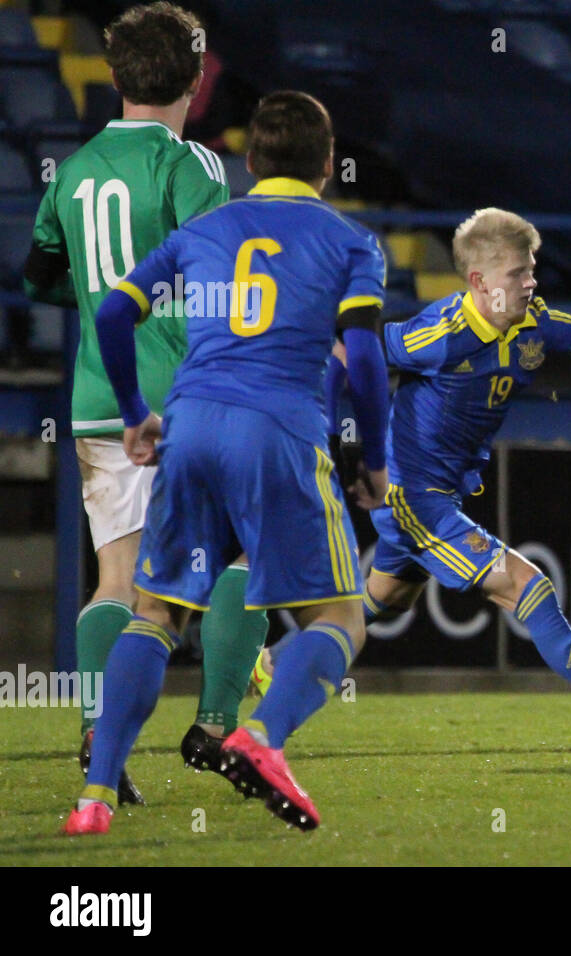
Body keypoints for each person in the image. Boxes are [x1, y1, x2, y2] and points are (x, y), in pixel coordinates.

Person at [63, 90, 390, 834]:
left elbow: (114, 312)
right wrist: (376, 457)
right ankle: (261, 736)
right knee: (339, 616)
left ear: (249, 161)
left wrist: (134, 411)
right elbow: (365, 359)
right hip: (278, 430)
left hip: (190, 423)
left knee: (155, 613)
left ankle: (95, 797)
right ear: (329, 166)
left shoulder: (206, 229)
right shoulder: (350, 242)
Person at [258, 207, 571, 745]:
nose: (531, 281)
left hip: (440, 491)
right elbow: (346, 354)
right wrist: (341, 436)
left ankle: (272, 663)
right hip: (410, 495)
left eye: (532, 268)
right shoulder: (442, 334)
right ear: (479, 281)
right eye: (518, 273)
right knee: (528, 585)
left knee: (386, 597)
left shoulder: (533, 324)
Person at [23, 2, 266, 802]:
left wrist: (98, 290)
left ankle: (101, 731)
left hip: (100, 399)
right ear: (194, 80)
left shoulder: (76, 169)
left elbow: (39, 276)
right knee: (239, 561)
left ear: (115, 75)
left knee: (115, 581)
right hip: (186, 396)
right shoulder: (190, 165)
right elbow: (220, 277)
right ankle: (222, 723)